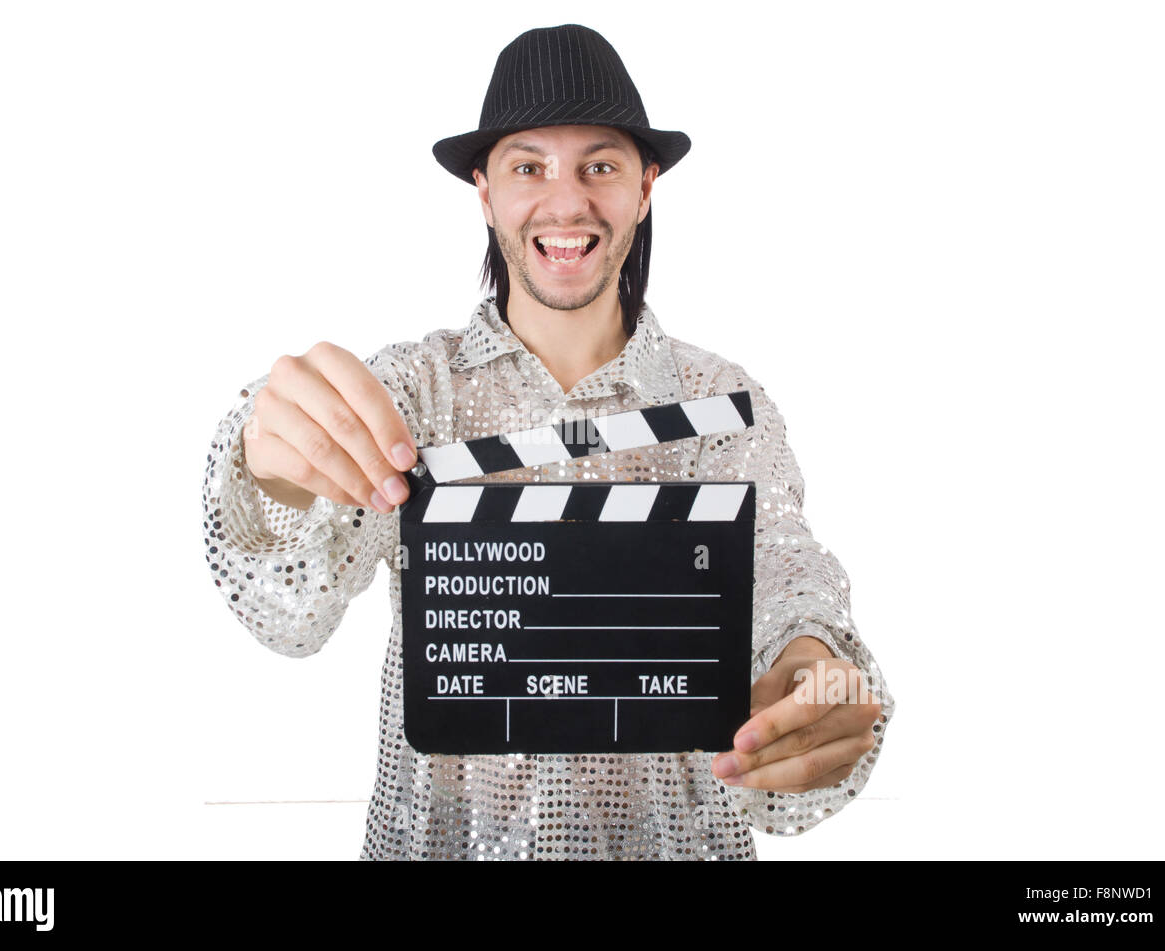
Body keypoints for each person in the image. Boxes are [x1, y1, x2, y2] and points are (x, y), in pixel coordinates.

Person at [201, 23, 894, 860]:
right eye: (529, 166)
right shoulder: (412, 396)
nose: (566, 202)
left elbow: (784, 574)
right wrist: (268, 474)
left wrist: (813, 665)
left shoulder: (724, 406)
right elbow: (289, 614)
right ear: (484, 191)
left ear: (645, 186)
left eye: (599, 165)